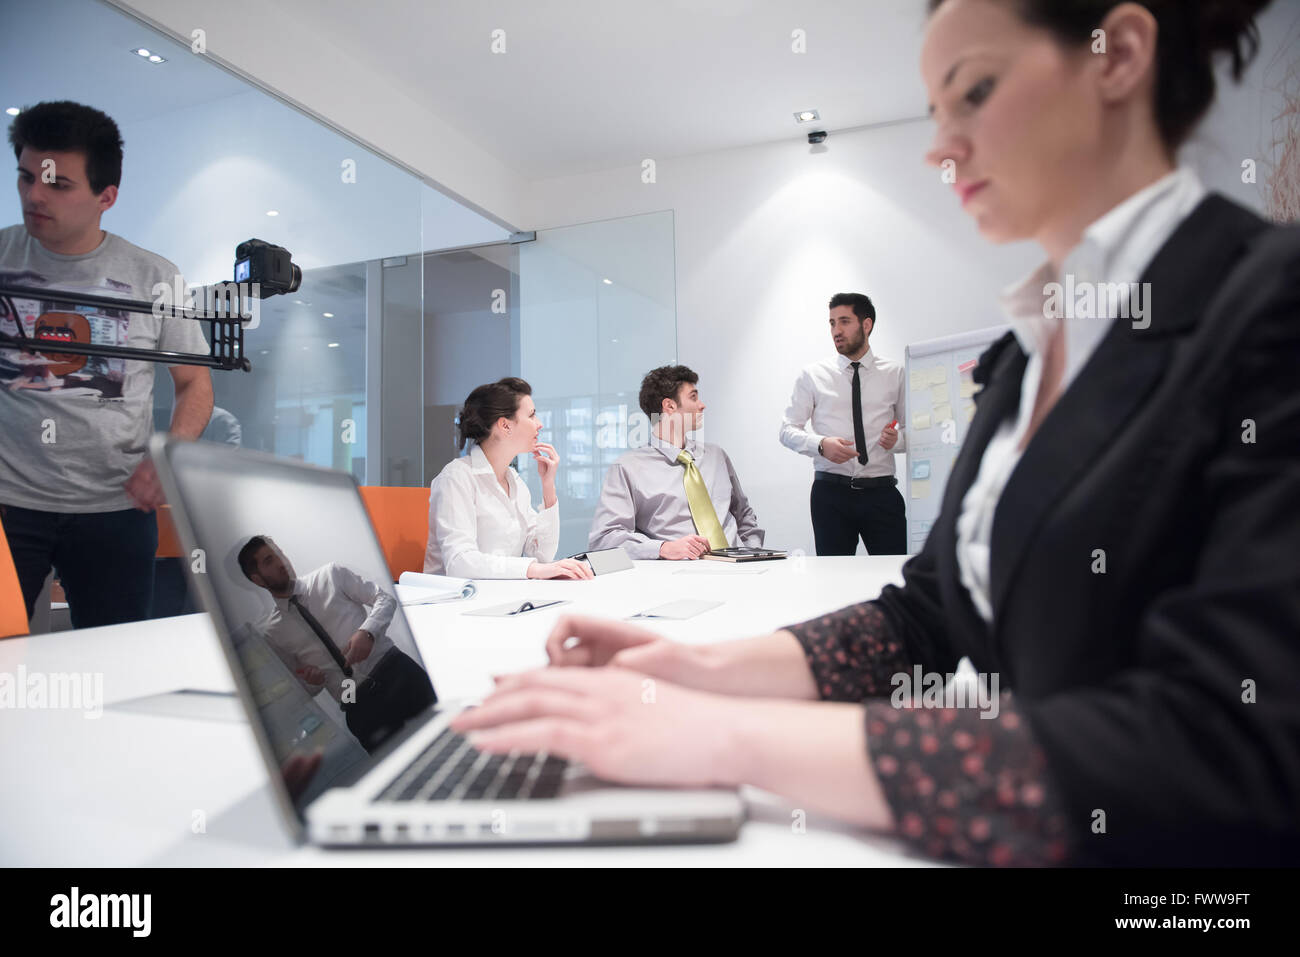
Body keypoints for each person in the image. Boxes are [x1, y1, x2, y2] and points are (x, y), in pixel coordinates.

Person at [453, 0, 1300, 866]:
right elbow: (927, 619)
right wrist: (695, 670)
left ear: (1117, 55)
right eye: (936, 112)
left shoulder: (1268, 304)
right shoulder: (1029, 356)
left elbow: (1230, 751)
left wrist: (725, 736)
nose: (940, 145)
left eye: (973, 92)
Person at [0, 101, 213, 629]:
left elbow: (195, 385)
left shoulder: (155, 276)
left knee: (116, 661)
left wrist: (169, 457)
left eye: (57, 184)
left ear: (106, 197)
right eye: (26, 177)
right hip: (6, 505)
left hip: (114, 508)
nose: (35, 195)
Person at [238, 535, 434, 753]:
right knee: (399, 775)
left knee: (451, 739)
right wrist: (314, 682)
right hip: (361, 710)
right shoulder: (272, 633)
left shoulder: (331, 575)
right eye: (268, 561)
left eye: (279, 554)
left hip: (399, 674)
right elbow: (302, 689)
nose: (280, 562)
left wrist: (367, 632)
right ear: (257, 579)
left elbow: (384, 599)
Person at [589, 364, 764, 560]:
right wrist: (663, 548)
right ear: (669, 406)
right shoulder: (627, 468)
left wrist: (752, 551)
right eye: (693, 397)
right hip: (678, 579)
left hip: (741, 570)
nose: (702, 405)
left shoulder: (717, 456)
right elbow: (603, 540)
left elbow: (744, 514)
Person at [424, 377, 591, 580]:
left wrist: (548, 488)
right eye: (531, 416)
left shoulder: (514, 481)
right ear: (505, 426)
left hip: (500, 596)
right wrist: (532, 569)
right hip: (454, 602)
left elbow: (542, 555)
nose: (539, 424)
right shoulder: (456, 477)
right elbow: (460, 563)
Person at [780, 293, 908, 556]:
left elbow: (913, 430)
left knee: (892, 574)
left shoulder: (895, 374)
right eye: (831, 323)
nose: (836, 331)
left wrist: (898, 441)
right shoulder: (813, 376)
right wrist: (820, 445)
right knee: (832, 579)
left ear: (866, 324)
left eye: (844, 322)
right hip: (831, 495)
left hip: (882, 493)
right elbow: (787, 430)